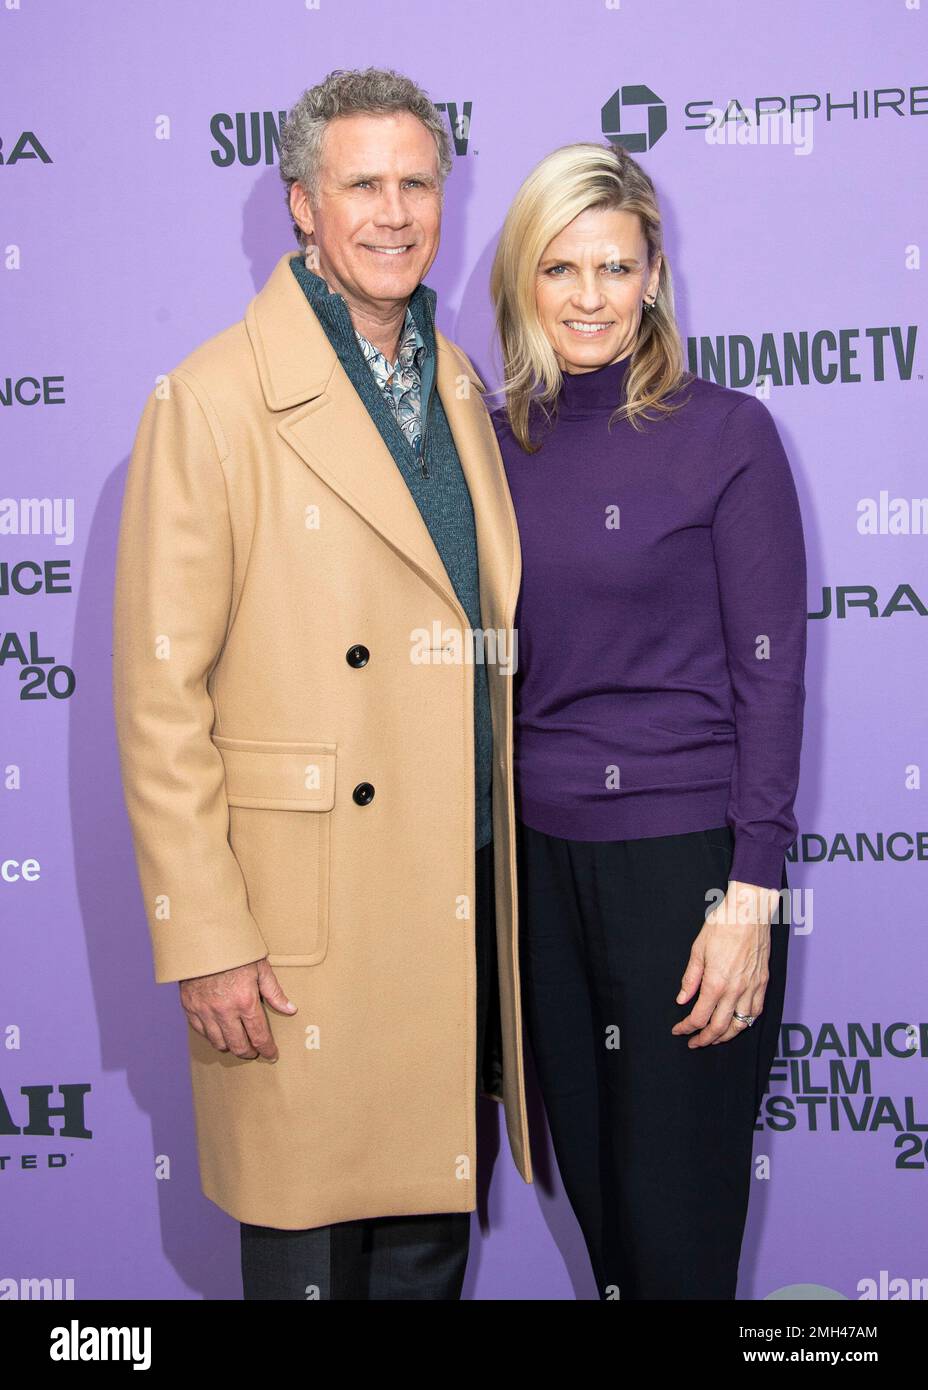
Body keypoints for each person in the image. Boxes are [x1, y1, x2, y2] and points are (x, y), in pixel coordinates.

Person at [112, 66, 531, 1301]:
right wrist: (207, 938)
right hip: (302, 933)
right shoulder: (212, 396)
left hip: (450, 905)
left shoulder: (457, 382)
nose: (394, 213)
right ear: (301, 203)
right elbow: (158, 696)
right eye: (361, 185)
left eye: (417, 184)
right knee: (307, 1268)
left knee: (423, 1265)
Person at [488, 141, 807, 1299]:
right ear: (523, 279)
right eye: (560, 267)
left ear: (654, 276)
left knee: (675, 1247)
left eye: (614, 267)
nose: (587, 296)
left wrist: (750, 897)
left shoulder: (727, 435)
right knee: (611, 1238)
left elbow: (770, 676)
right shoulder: (489, 444)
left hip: (685, 873)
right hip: (535, 874)